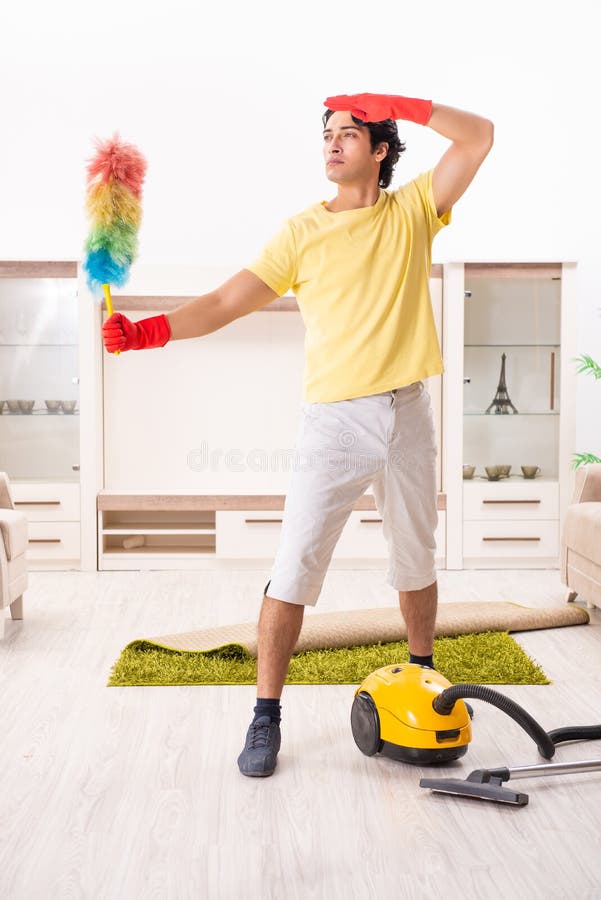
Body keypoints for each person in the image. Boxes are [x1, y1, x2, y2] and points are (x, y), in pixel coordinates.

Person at [102, 91, 494, 778]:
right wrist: (147, 332)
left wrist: (402, 103)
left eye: (348, 134)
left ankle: (424, 676)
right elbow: (228, 301)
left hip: (407, 412)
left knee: (415, 557)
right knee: (293, 570)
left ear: (379, 150)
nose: (332, 143)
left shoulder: (411, 212)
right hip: (334, 421)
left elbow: (478, 137)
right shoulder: (299, 233)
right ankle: (265, 715)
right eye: (326, 135)